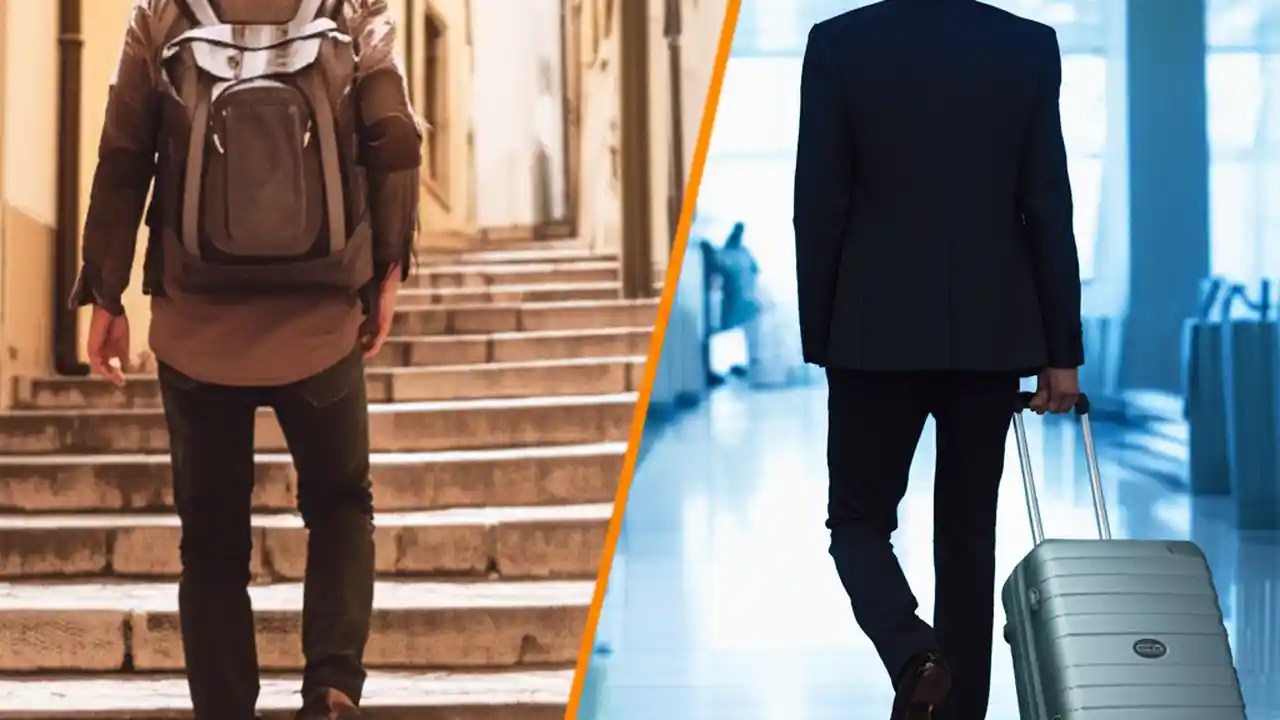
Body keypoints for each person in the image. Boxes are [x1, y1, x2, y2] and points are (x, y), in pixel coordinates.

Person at [72, 1, 421, 718]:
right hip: (321, 318)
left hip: (197, 326)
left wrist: (105, 294)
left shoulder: (160, 13)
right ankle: (330, 687)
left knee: (211, 542)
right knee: (340, 505)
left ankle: (226, 708)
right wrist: (387, 269)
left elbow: (124, 150)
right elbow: (393, 134)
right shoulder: (355, 8)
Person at [792, 1, 1083, 719]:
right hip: (990, 331)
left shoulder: (839, 44)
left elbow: (818, 203)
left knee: (858, 524)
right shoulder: (1026, 46)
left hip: (873, 331)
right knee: (967, 535)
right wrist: (1061, 353)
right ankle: (959, 713)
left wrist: (823, 333)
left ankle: (911, 652)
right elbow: (1046, 204)